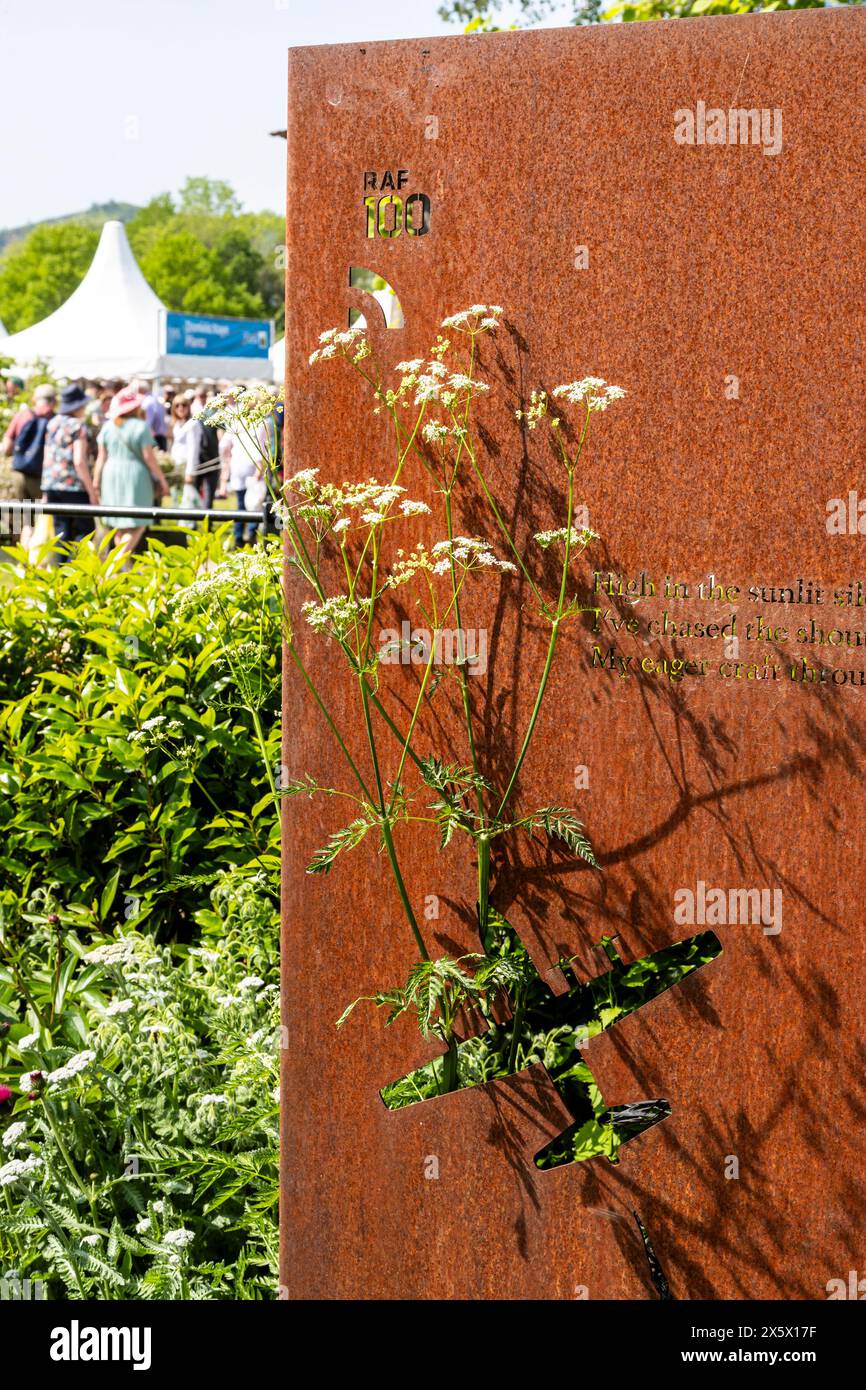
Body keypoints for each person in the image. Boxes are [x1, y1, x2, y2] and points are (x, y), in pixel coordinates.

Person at [94, 386, 169, 561]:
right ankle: (115, 563)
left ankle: (121, 569)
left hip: (110, 475)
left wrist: (96, 481)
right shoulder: (141, 427)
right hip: (135, 476)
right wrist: (162, 480)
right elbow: (149, 457)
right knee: (139, 523)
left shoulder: (108, 426)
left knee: (119, 525)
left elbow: (101, 457)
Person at [41, 384, 97, 557]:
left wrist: (45, 488)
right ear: (78, 406)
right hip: (73, 486)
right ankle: (77, 574)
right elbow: (79, 460)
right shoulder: (77, 426)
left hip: (52, 484)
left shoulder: (52, 423)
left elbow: (47, 456)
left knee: (61, 531)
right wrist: (92, 490)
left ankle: (62, 577)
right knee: (85, 530)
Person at [3, 384, 56, 504]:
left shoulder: (22, 416)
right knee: (39, 517)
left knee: (20, 516)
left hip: (19, 473)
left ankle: (22, 523)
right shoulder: (55, 420)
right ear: (54, 401)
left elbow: (7, 447)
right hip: (41, 477)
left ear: (34, 399)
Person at [169, 394, 204, 513]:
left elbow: (193, 449)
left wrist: (190, 472)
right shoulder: (177, 424)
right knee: (177, 496)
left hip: (186, 466)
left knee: (188, 500)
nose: (180, 408)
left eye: (184, 405)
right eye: (177, 405)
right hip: (177, 464)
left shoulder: (193, 424)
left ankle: (189, 526)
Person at [134, 378, 168, 452]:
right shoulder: (152, 400)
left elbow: (148, 424)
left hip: (154, 438)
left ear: (140, 390)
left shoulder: (147, 402)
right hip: (159, 437)